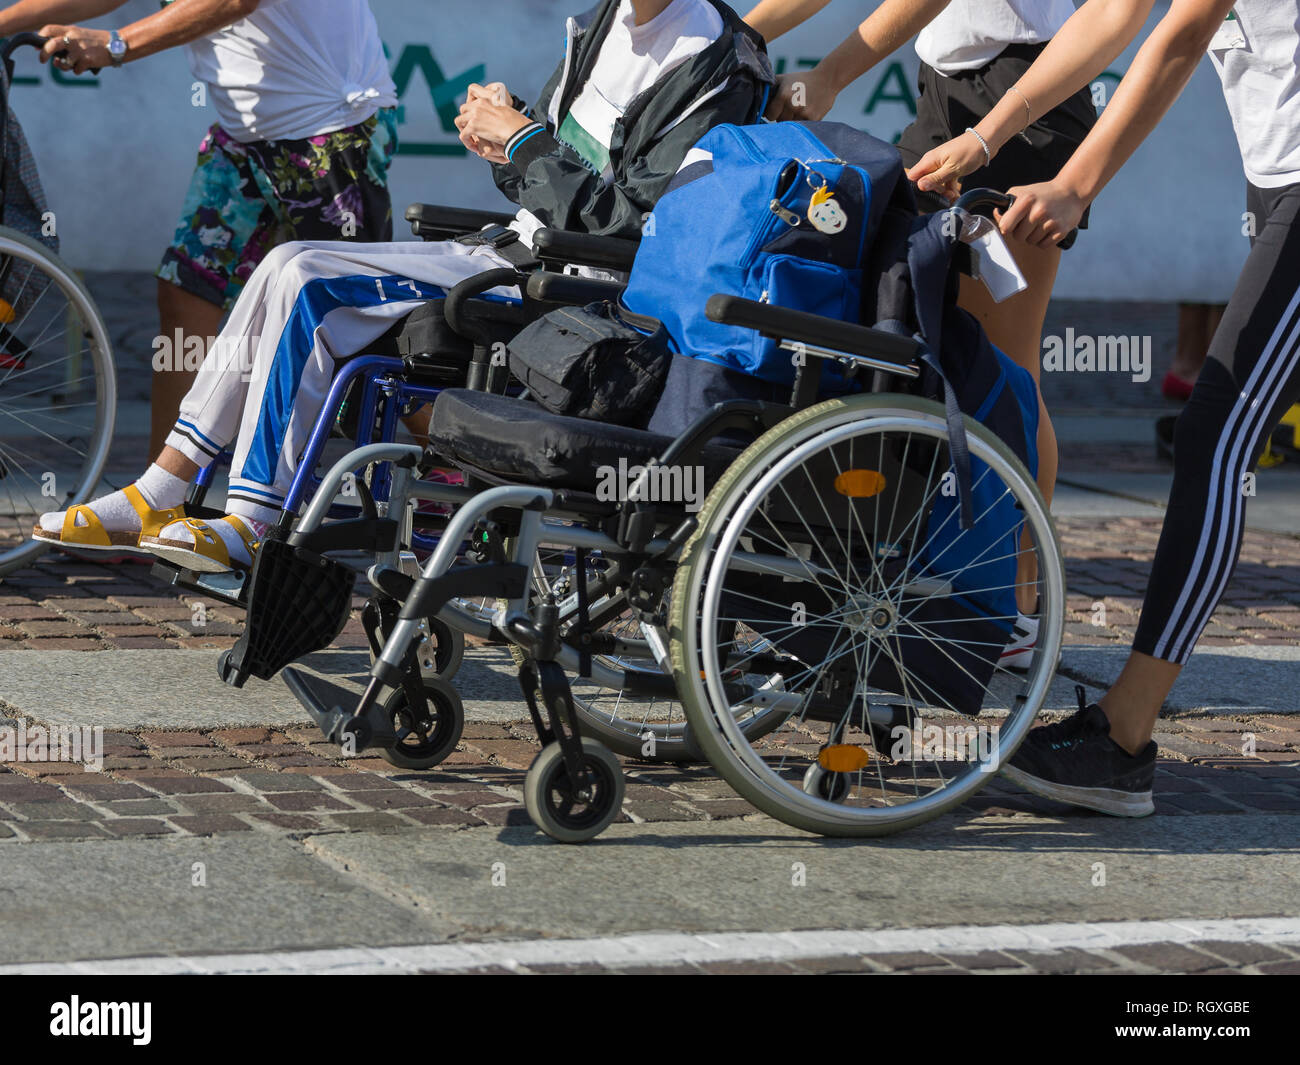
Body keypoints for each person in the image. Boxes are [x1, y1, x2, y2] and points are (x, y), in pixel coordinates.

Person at [32, 0, 772, 573]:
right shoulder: (605, 20)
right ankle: (164, 488)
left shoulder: (713, 57)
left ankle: (253, 519)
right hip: (513, 247)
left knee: (312, 282)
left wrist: (520, 141)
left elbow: (631, 226)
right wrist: (506, 134)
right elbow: (560, 165)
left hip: (575, 286)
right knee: (282, 269)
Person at [928, 0, 1297, 817]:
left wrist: (1072, 183)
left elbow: (1175, 34)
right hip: (1279, 173)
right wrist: (988, 138)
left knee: (1218, 432)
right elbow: (1119, 14)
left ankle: (1123, 736)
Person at [743, 0, 1149, 670]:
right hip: (947, 88)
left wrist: (832, 70)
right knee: (901, 341)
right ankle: (897, 579)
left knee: (1004, 368)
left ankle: (1017, 605)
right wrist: (748, 34)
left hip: (1027, 92)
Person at [0, 0, 401, 454]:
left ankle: (454, 467)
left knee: (364, 326)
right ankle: (159, 498)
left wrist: (116, 44)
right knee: (185, 295)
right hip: (243, 137)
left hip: (329, 128)